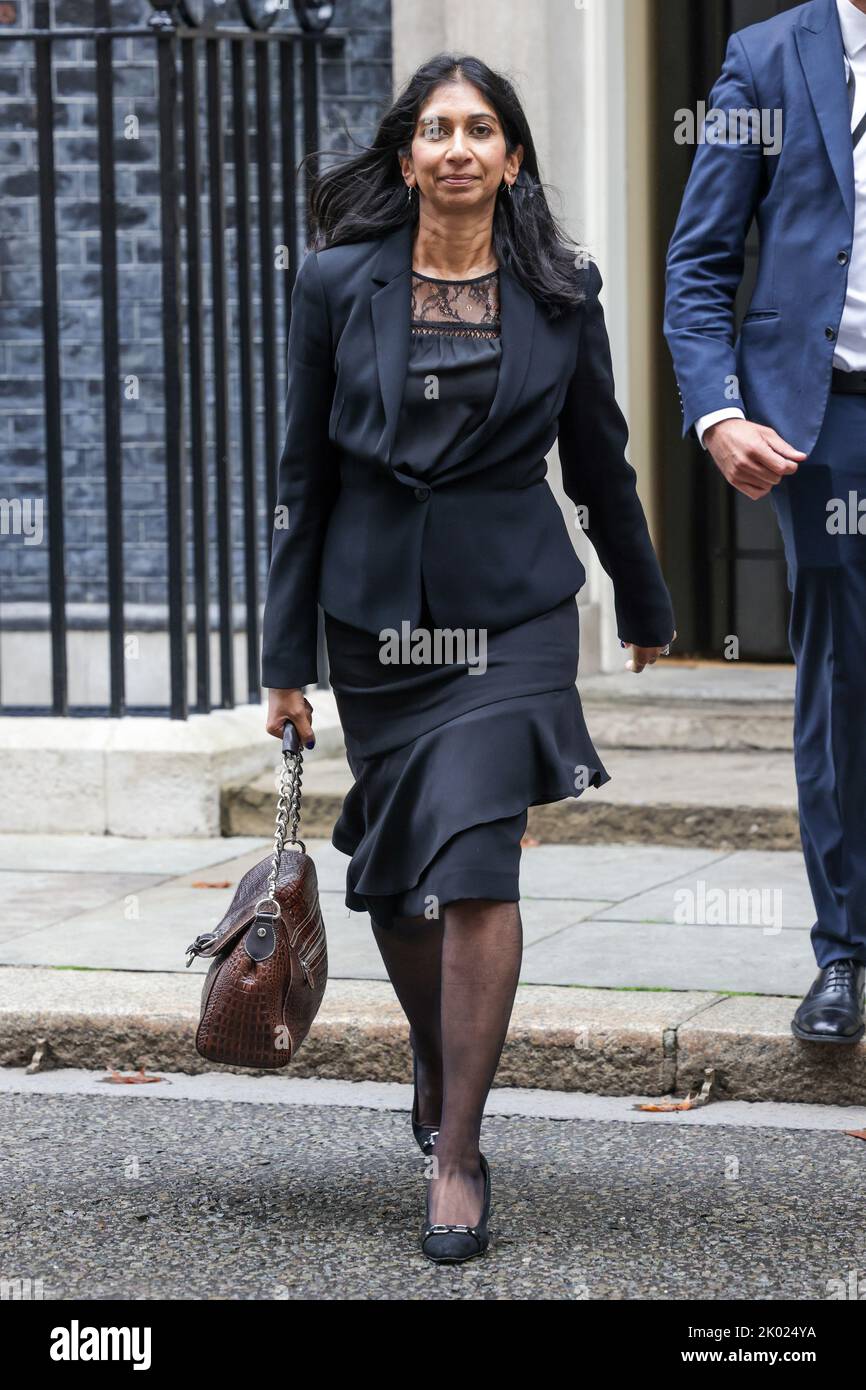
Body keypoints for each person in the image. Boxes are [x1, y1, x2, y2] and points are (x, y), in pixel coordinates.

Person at [262, 52, 675, 1264]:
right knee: (398, 879)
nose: (456, 147)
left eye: (479, 128)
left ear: (509, 159)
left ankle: (455, 1154)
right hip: (377, 624)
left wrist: (643, 599)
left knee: (479, 855)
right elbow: (303, 481)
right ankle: (439, 1068)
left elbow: (597, 461)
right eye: (435, 128)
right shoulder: (336, 285)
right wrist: (284, 663)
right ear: (408, 159)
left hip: (514, 617)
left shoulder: (560, 290)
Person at [665, 0, 866, 1046]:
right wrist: (717, 411)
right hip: (824, 415)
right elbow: (698, 259)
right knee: (839, 681)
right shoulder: (760, 58)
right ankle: (843, 953)